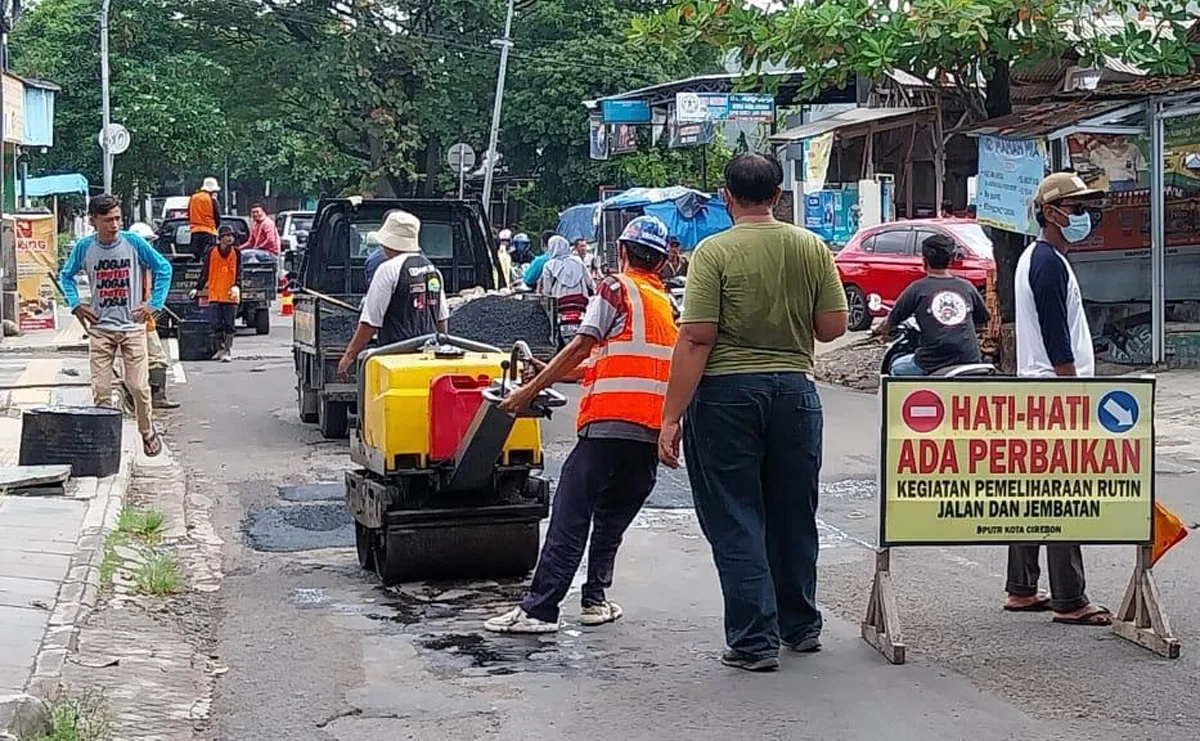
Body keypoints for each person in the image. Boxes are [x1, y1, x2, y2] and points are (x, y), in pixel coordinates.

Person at [658, 153, 848, 672]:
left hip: (725, 396)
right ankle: (801, 626)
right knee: (793, 512)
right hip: (795, 392)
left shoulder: (713, 251)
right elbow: (832, 326)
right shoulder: (810, 246)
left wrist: (671, 417)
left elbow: (697, 338)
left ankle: (752, 641)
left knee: (736, 514)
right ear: (778, 195)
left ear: (726, 197)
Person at [484, 215, 677, 634]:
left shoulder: (615, 286)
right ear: (661, 263)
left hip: (607, 426)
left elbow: (581, 344)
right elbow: (608, 361)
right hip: (646, 431)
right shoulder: (663, 304)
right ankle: (594, 600)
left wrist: (528, 389)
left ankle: (539, 610)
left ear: (622, 253)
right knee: (611, 517)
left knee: (572, 514)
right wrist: (552, 371)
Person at [1006, 171, 1112, 626]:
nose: (1085, 217)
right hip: (1055, 390)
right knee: (1061, 495)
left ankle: (1022, 588)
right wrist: (1074, 390)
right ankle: (1069, 598)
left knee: (1034, 492)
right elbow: (1056, 338)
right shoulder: (1047, 262)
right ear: (1052, 214)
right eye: (1077, 209)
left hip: (1041, 389)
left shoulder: (1042, 258)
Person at [59, 194, 173, 457]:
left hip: (132, 328)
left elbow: (163, 268)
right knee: (101, 390)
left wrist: (153, 303)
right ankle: (106, 442)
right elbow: (66, 276)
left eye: (118, 218)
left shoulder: (133, 243)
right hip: (100, 329)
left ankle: (147, 430)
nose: (114, 225)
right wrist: (76, 304)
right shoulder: (84, 248)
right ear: (93, 221)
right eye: (108, 220)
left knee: (138, 386)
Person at [336, 210, 449, 377]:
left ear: (388, 243)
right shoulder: (432, 269)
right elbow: (441, 319)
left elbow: (370, 322)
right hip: (429, 359)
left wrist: (348, 356)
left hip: (396, 360)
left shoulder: (388, 270)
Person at [881, 234, 988, 376]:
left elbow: (892, 320)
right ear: (951, 260)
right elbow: (983, 318)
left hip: (932, 362)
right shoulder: (967, 287)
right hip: (970, 359)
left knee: (896, 366)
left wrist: (882, 331)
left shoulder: (917, 289)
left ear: (924, 261)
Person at [128, 222, 179, 410]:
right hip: (136, 318)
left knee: (138, 359)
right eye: (147, 242)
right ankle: (155, 398)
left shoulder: (141, 262)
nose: (150, 246)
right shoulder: (137, 263)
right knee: (156, 358)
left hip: (136, 317)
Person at [191, 225, 242, 362]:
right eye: (226, 236)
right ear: (220, 238)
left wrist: (237, 285)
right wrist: (198, 287)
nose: (229, 238)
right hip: (215, 293)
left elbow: (239, 271)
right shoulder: (212, 252)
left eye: (231, 236)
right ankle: (219, 349)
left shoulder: (236, 252)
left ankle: (227, 350)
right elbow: (205, 271)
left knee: (229, 324)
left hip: (230, 294)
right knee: (215, 323)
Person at [539, 234, 594, 301]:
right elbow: (590, 282)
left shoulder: (548, 265)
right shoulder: (578, 260)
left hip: (560, 304)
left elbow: (547, 290)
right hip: (581, 303)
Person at [187, 177, 222, 256]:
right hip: (209, 232)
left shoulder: (193, 198)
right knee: (208, 257)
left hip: (195, 232)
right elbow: (217, 216)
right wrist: (215, 227)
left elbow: (189, 214)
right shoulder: (211, 199)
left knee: (196, 258)